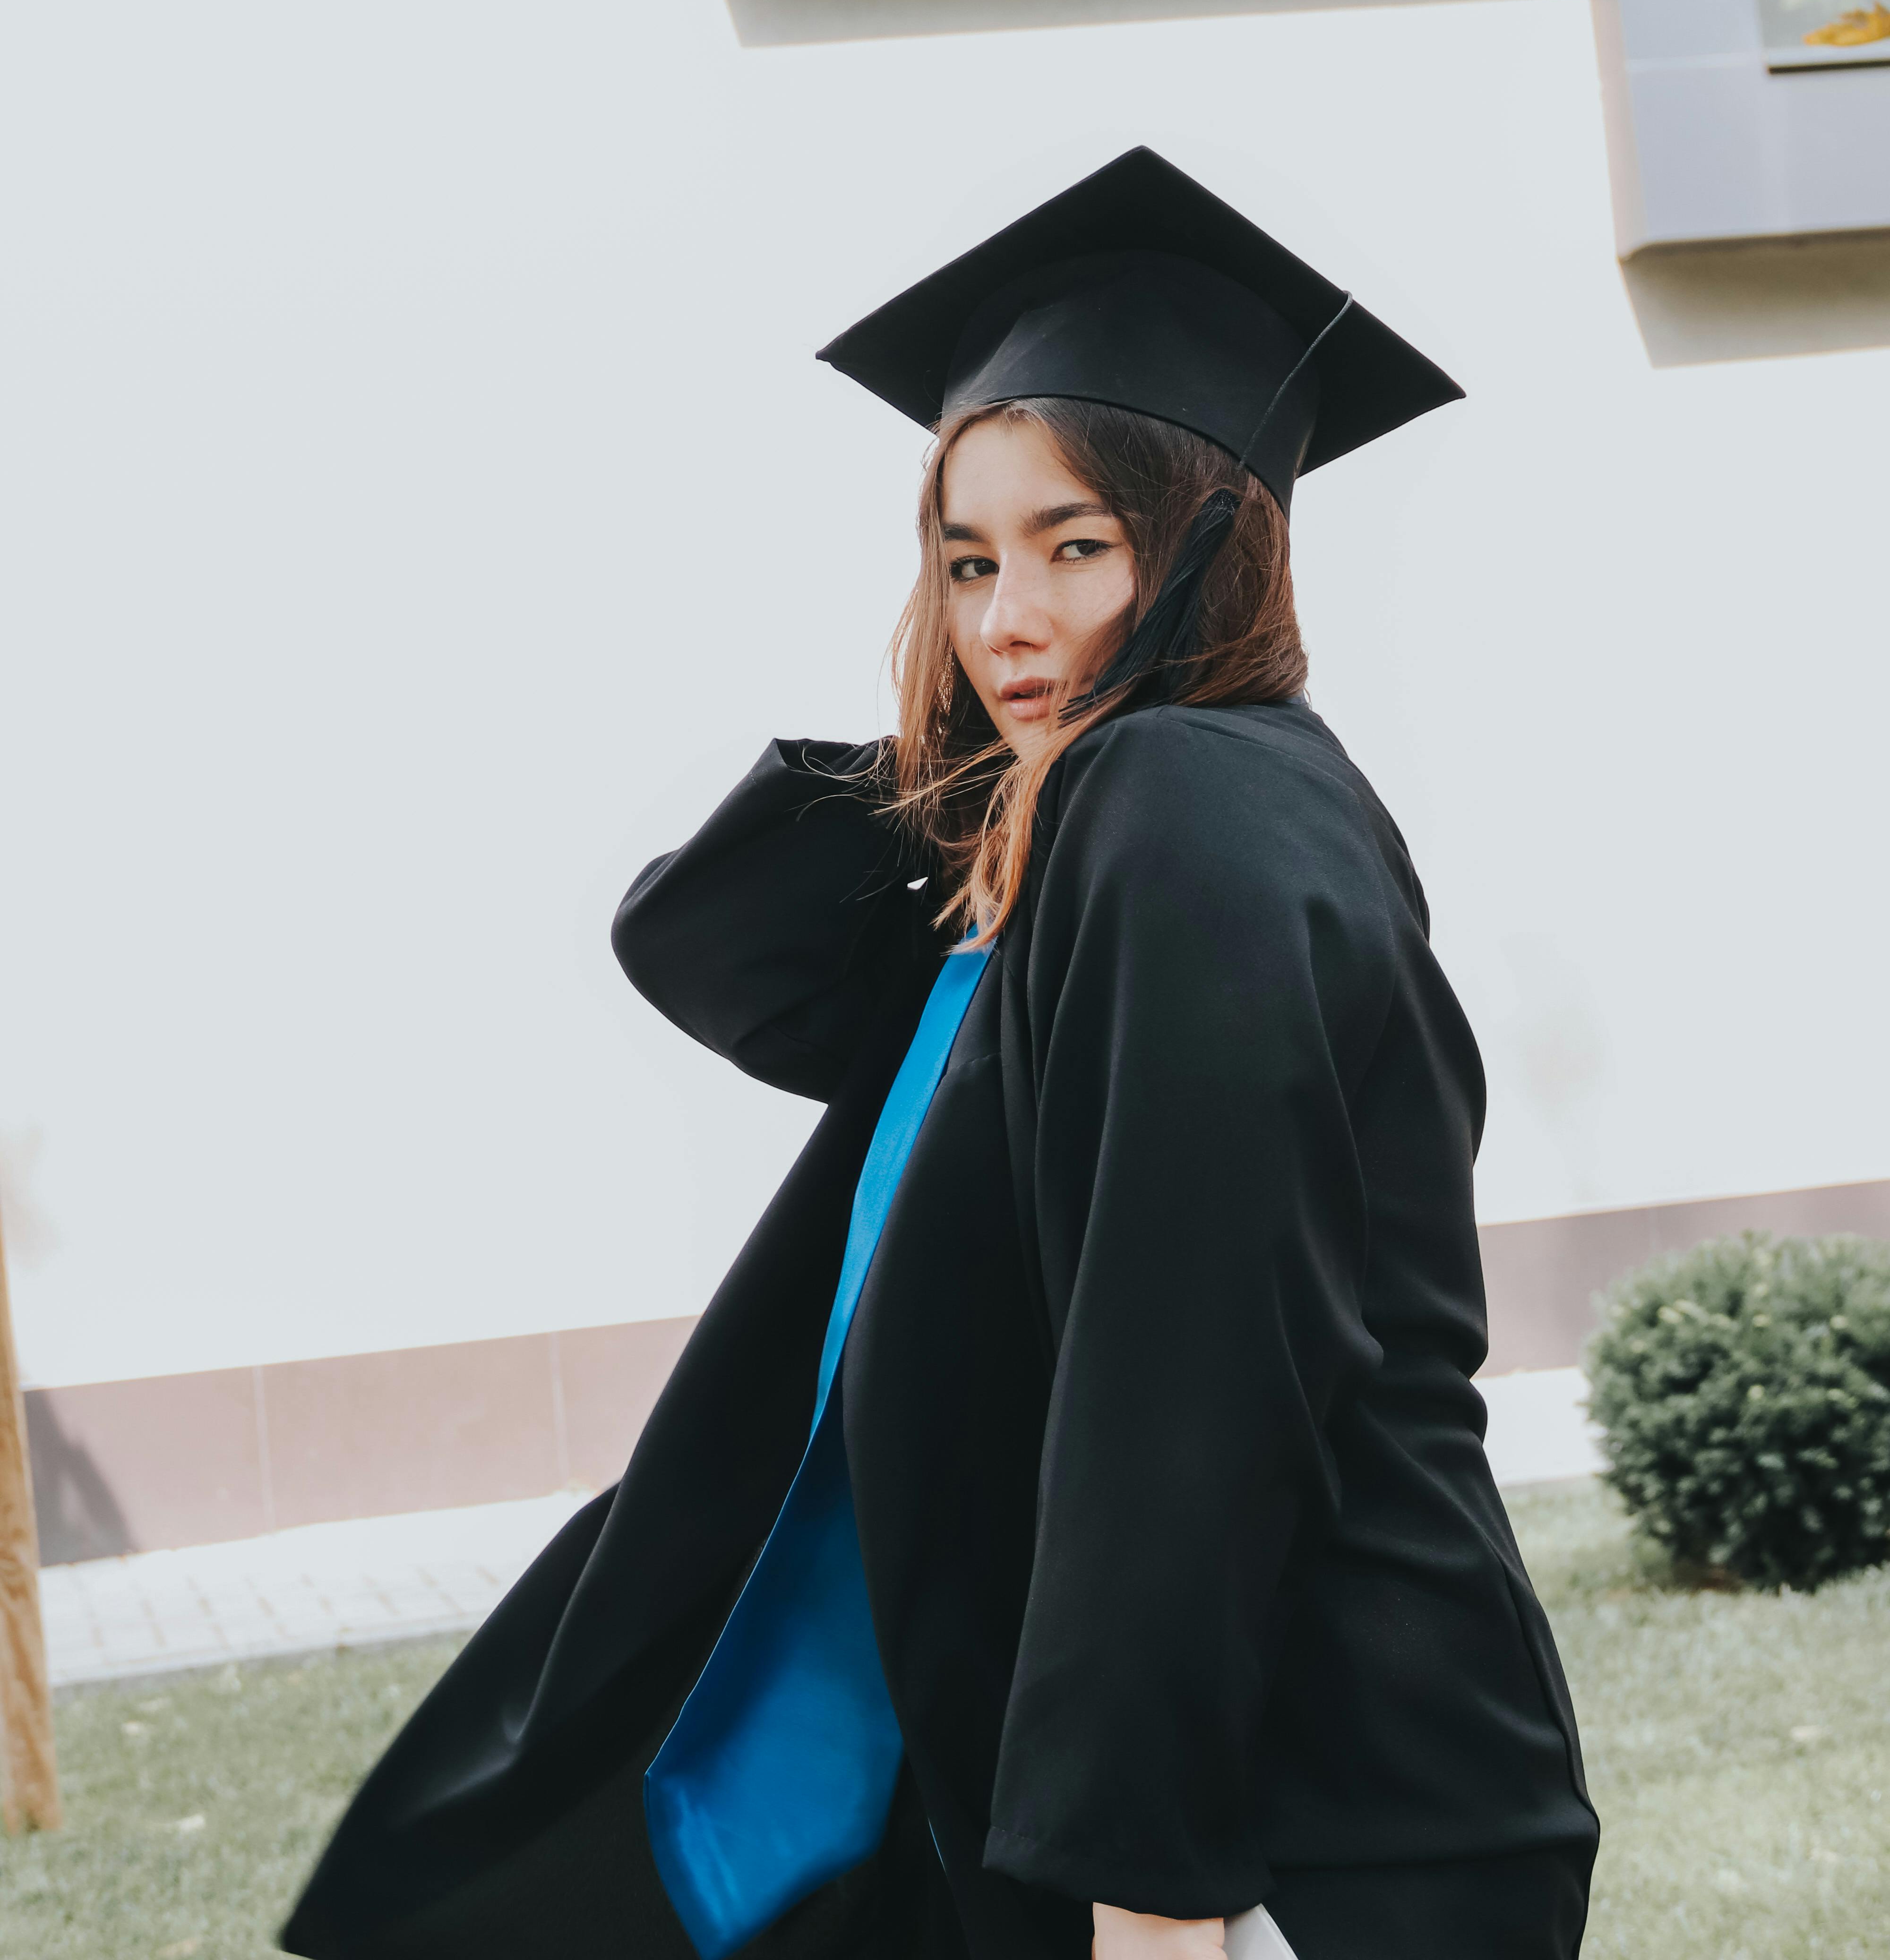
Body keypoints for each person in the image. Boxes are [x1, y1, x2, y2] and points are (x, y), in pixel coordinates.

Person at [282, 146, 1598, 1960]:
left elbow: (1196, 1384)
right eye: (968, 561)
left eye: (1080, 547)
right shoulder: (1140, 821)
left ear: (1219, 543)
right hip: (1212, 1768)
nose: (1008, 624)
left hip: (1301, 1807)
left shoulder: (1189, 799)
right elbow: (741, 963)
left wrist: (1151, 1892)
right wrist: (997, 801)